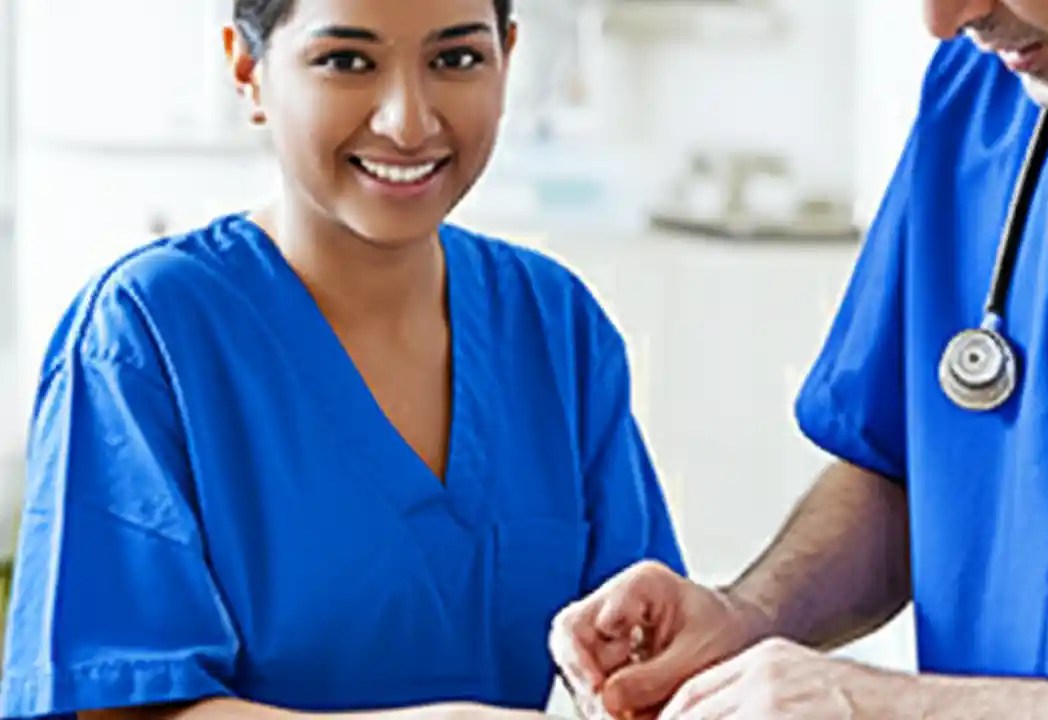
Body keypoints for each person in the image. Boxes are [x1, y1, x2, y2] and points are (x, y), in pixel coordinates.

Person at [550, 0, 1048, 717]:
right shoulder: (990, 93)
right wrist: (750, 615)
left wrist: (909, 710)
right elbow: (904, 466)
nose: (943, 18)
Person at [0, 0, 686, 718]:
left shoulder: (553, 324)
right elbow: (124, 707)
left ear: (506, 61)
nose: (408, 122)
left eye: (455, 60)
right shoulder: (147, 335)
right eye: (346, 61)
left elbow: (651, 653)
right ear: (248, 69)